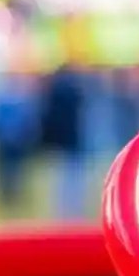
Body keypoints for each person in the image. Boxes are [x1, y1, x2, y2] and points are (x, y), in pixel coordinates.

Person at [39, 63, 90, 221]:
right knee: (72, 181)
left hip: (62, 143)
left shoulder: (53, 92)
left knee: (62, 182)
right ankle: (72, 213)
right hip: (73, 142)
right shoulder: (73, 91)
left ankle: (64, 213)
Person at [0, 70, 38, 218]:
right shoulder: (4, 101)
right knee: (5, 172)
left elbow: (29, 123)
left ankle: (16, 196)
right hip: (4, 143)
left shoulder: (21, 101)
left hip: (18, 144)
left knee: (18, 171)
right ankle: (7, 197)